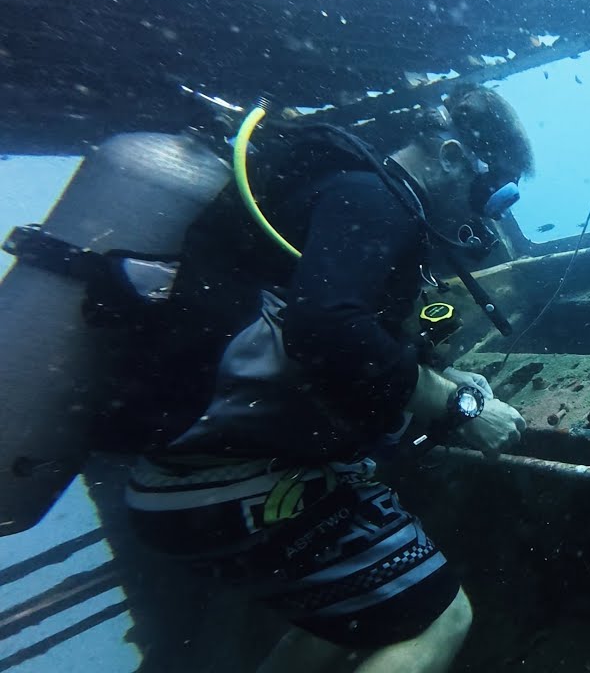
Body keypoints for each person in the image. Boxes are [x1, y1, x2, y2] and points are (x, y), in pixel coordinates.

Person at [123, 85, 533, 673]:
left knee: (349, 619)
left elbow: (326, 325)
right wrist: (459, 409)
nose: (479, 219)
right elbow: (326, 332)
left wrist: (439, 376)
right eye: (491, 196)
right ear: (450, 156)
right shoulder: (374, 199)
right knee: (441, 619)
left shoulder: (344, 194)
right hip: (237, 482)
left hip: (184, 485)